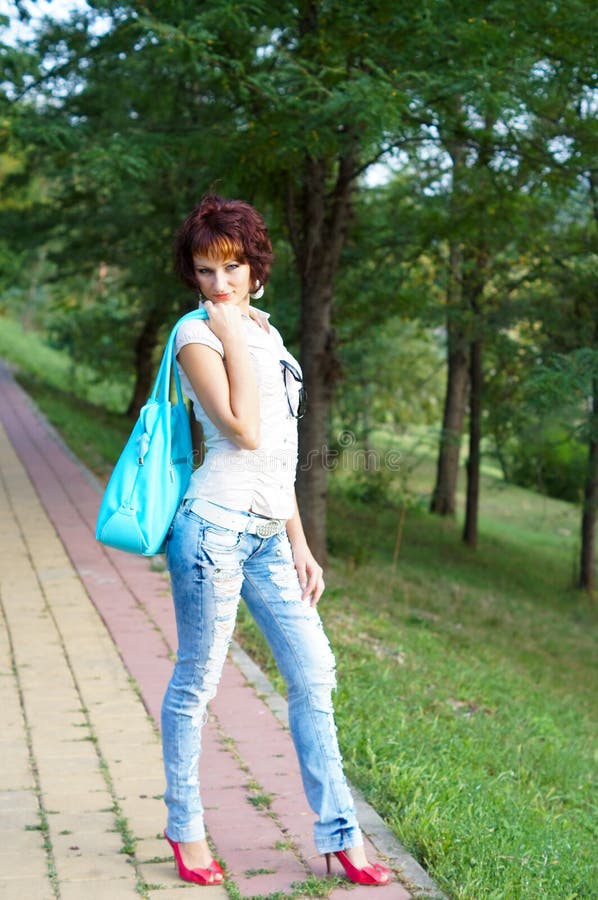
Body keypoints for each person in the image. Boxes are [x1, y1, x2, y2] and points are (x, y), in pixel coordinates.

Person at [161, 194, 391, 888]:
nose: (219, 284)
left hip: (266, 533)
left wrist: (300, 542)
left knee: (315, 672)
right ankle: (185, 826)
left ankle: (340, 832)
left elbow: (281, 453)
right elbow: (245, 432)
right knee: (197, 681)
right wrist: (228, 331)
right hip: (212, 532)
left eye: (230, 267)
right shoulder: (195, 336)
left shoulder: (270, 333)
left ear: (255, 268)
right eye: (205, 271)